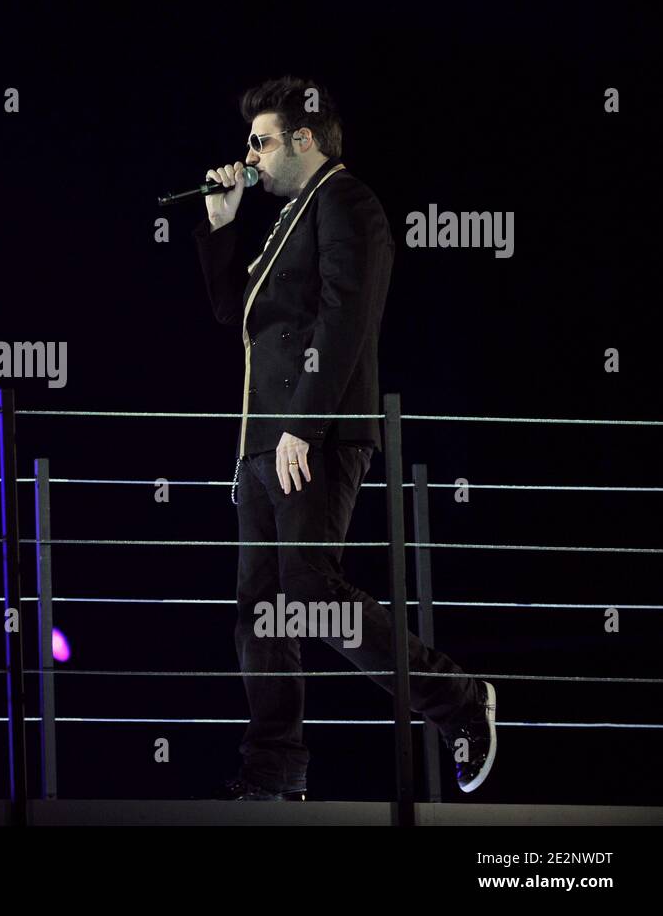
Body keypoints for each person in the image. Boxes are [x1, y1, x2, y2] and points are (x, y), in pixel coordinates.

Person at [192, 76, 496, 801]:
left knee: (306, 589)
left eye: (261, 141)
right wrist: (221, 221)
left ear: (303, 139)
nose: (251, 156)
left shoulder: (344, 201)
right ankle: (273, 774)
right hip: (263, 443)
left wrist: (305, 420)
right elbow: (237, 317)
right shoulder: (287, 218)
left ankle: (457, 701)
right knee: (260, 608)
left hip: (312, 435)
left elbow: (346, 315)